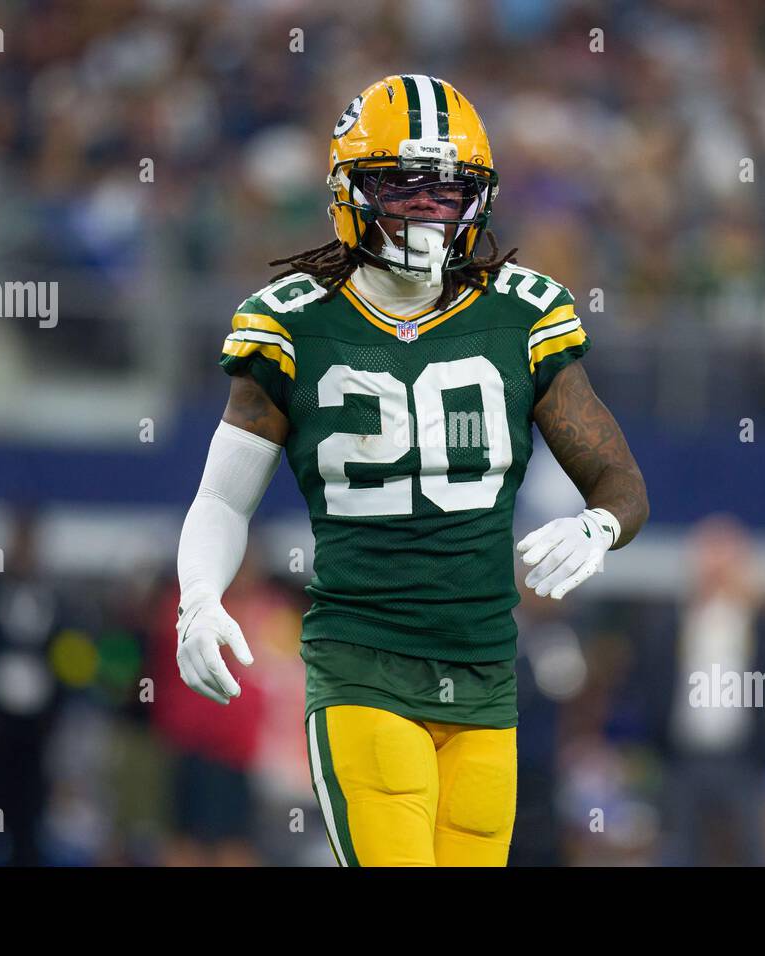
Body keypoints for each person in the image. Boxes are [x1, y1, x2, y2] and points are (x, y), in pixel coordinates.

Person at [174, 75, 648, 866]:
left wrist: (600, 527)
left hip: (486, 676)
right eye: (405, 186)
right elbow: (222, 497)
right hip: (364, 665)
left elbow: (619, 481)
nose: (430, 208)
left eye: (450, 190)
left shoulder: (523, 314)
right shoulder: (292, 320)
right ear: (349, 189)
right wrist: (197, 599)